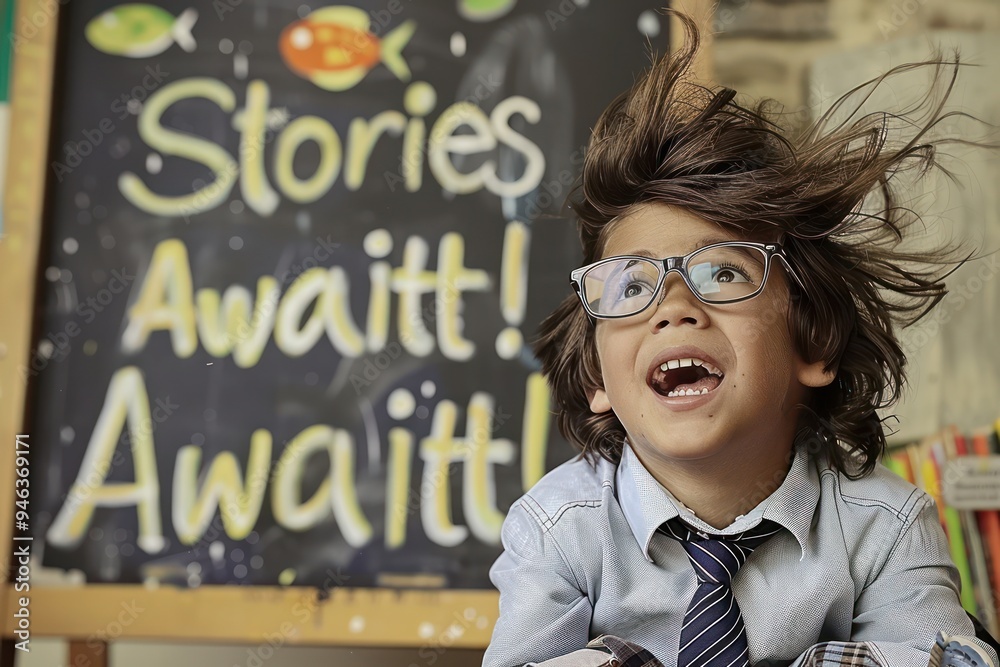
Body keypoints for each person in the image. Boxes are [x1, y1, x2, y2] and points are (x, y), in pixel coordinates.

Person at [483, 10, 998, 667]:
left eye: (722, 271)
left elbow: (949, 659)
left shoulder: (886, 523)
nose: (673, 307)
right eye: (630, 286)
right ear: (597, 379)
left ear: (814, 344)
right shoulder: (557, 528)